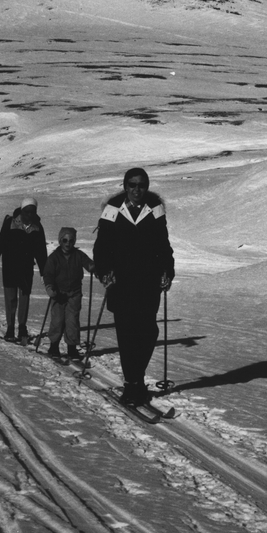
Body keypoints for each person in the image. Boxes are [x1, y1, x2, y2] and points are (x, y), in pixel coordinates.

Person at [93, 168, 174, 406]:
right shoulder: (112, 210)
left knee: (149, 333)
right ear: (125, 186)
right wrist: (104, 271)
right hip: (122, 283)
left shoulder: (155, 209)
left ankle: (136, 379)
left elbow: (163, 245)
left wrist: (167, 270)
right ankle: (132, 384)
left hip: (149, 282)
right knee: (128, 335)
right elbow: (101, 247)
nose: (137, 190)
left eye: (141, 185)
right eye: (132, 185)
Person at [0, 197, 48, 343]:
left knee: (24, 298)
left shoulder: (37, 227)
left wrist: (44, 271)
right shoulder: (10, 223)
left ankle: (22, 327)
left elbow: (41, 251)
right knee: (10, 298)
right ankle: (10, 328)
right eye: (27, 211)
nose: (29, 215)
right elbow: (0, 242)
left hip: (26, 268)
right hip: (10, 266)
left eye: (32, 212)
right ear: (21, 211)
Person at [42, 227, 94, 362]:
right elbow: (48, 274)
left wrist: (92, 266)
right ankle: (54, 346)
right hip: (58, 294)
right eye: (65, 240)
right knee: (57, 320)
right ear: (60, 241)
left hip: (74, 293)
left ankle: (72, 348)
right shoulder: (54, 257)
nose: (68, 243)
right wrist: (49, 287)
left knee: (72, 321)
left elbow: (88, 263)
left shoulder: (78, 255)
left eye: (71, 241)